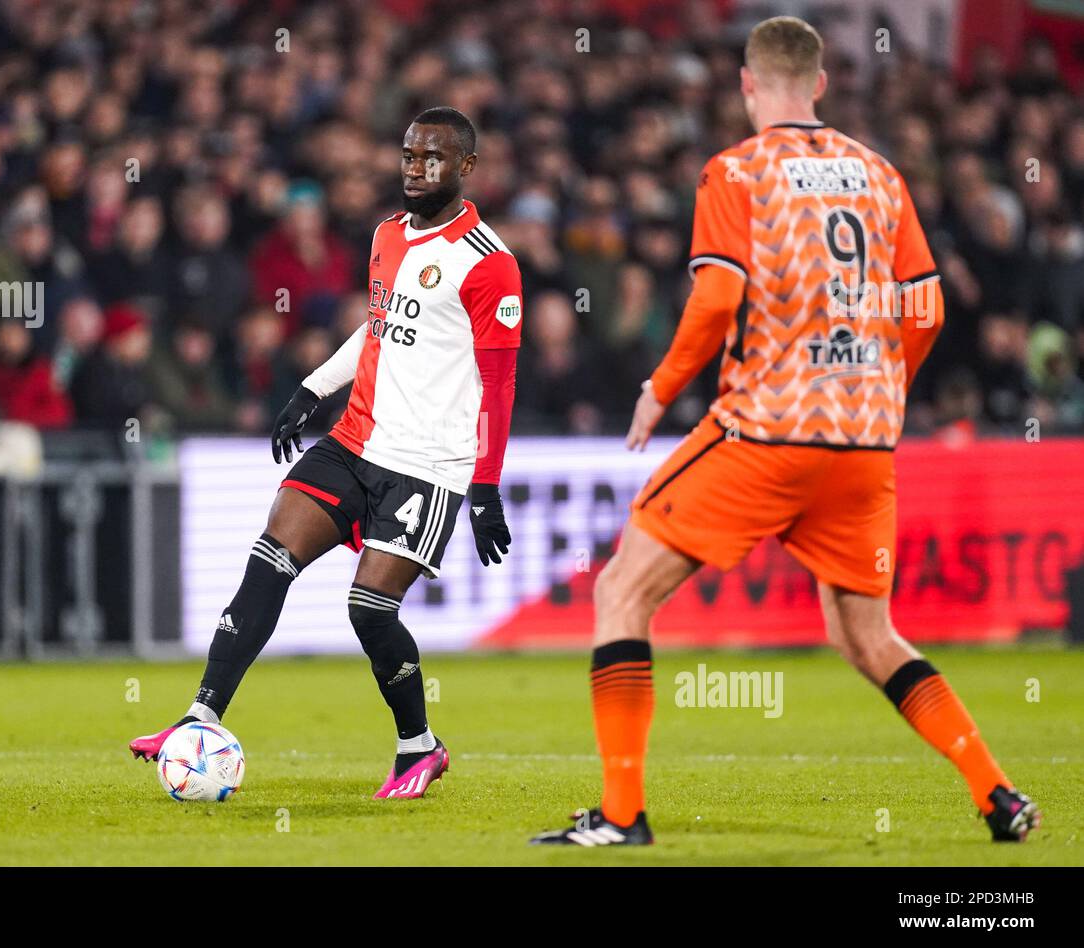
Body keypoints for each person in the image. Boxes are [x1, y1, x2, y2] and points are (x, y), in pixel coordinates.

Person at [532, 17, 1040, 847]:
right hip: (865, 440)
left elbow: (717, 299)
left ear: (745, 84)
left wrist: (660, 391)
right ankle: (999, 795)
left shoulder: (736, 171)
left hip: (769, 430)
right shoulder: (882, 175)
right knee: (865, 633)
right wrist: (882, 384)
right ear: (823, 83)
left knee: (621, 591)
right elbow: (928, 306)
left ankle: (621, 816)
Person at [129, 107, 522, 799]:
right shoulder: (387, 235)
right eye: (407, 153)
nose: (413, 167)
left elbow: (499, 384)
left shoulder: (490, 265)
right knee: (269, 557)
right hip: (354, 438)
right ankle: (198, 719)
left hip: (427, 465)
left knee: (370, 609)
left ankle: (418, 747)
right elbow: (377, 327)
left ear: (464, 168)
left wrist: (484, 488)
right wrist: (310, 392)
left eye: (431, 157)